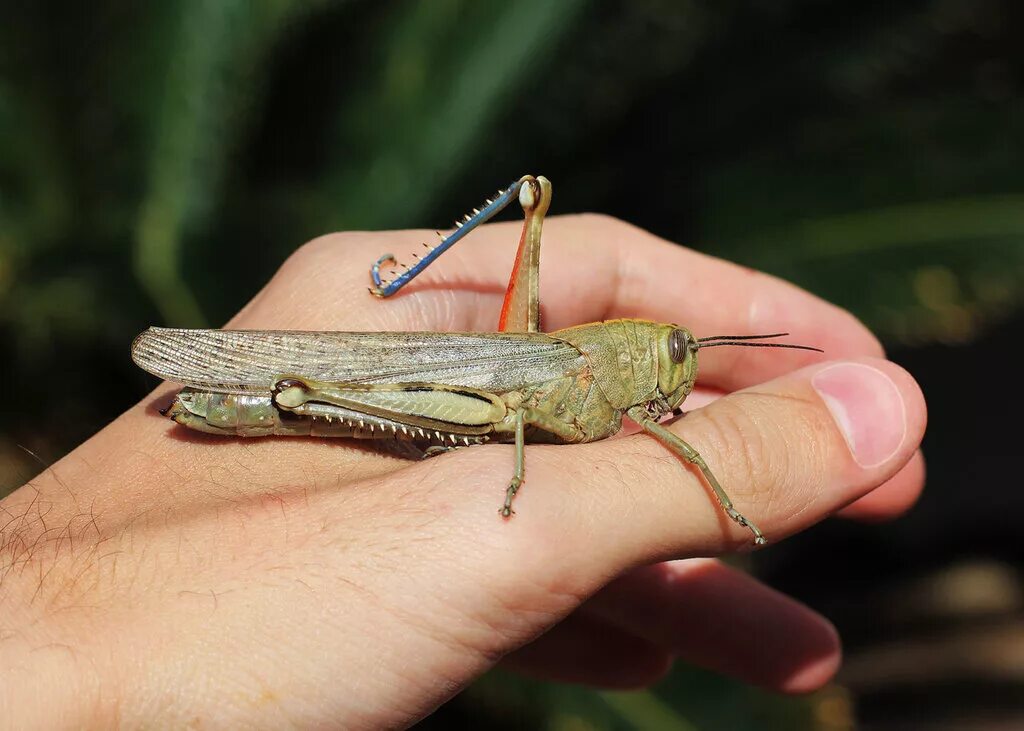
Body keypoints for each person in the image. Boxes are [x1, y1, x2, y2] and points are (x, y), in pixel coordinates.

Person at [0, 215, 927, 727]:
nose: (679, 369)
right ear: (642, 354)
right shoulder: (584, 369)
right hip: (477, 393)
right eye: (676, 354)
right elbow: (535, 416)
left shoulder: (626, 374)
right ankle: (272, 390)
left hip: (498, 390)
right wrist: (729, 489)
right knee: (533, 205)